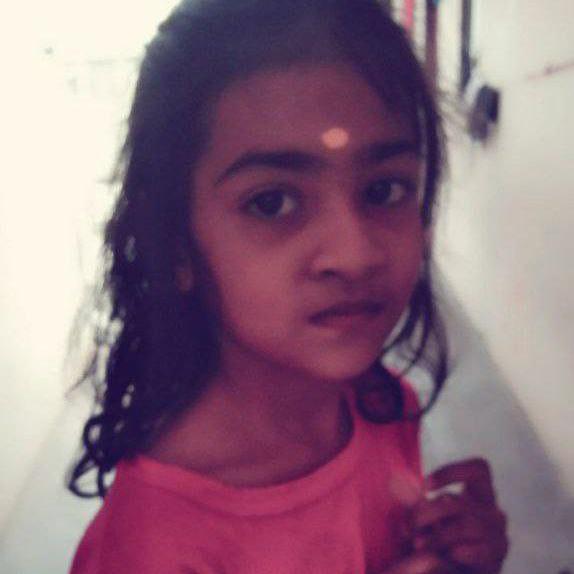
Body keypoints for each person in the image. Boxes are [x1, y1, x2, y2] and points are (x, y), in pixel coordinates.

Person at [67, 1, 508, 572]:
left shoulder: (383, 405)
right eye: (271, 202)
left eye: (384, 190)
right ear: (175, 242)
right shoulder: (153, 546)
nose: (355, 254)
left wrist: (456, 556)